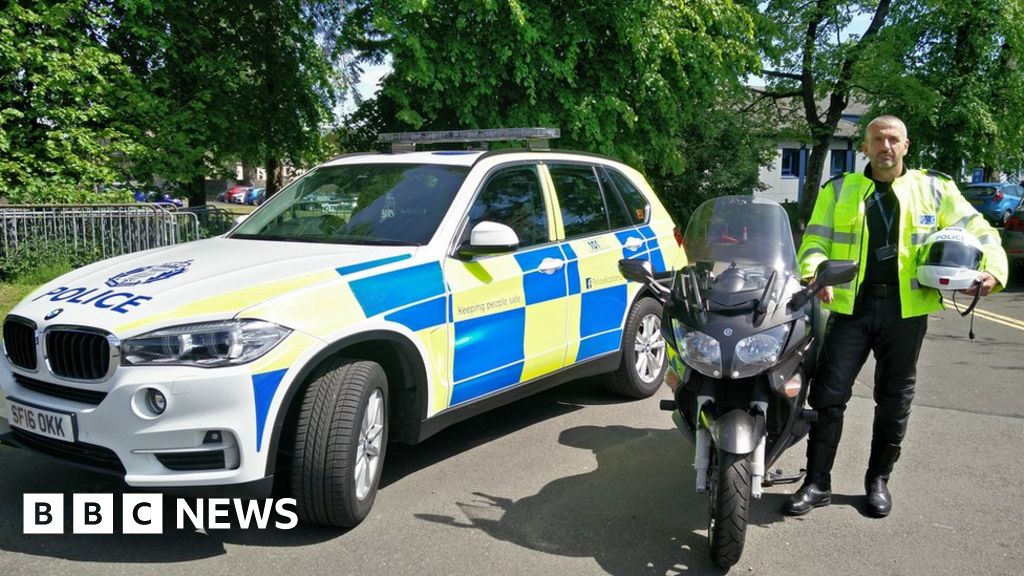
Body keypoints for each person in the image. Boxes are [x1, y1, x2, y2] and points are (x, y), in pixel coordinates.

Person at [784, 115, 1008, 518]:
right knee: (828, 396)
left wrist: (994, 268)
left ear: (906, 145)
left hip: (905, 311)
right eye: (876, 139)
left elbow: (979, 229)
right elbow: (815, 239)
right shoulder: (840, 190)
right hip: (851, 308)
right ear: (864, 148)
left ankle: (877, 481)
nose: (885, 146)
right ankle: (817, 483)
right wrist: (816, 270)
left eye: (892, 139)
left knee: (894, 401)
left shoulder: (934, 189)